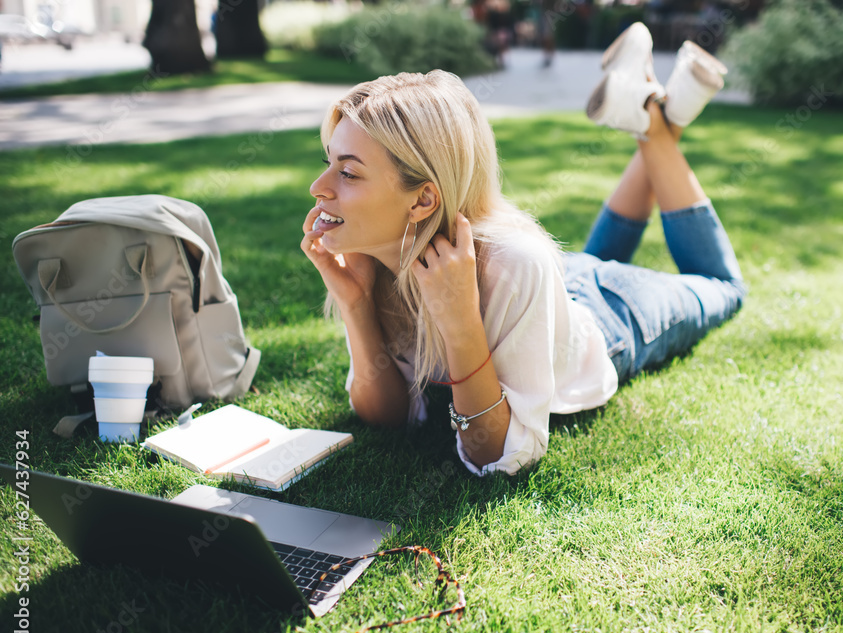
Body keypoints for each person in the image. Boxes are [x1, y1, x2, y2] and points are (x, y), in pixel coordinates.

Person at [300, 23, 744, 476]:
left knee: (725, 288)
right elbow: (386, 418)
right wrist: (355, 304)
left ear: (423, 200)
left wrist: (460, 322)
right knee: (589, 258)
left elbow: (499, 456)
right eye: (328, 163)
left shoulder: (515, 263)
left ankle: (655, 123)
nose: (319, 188)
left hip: (610, 315)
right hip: (551, 289)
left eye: (348, 173)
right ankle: (654, 117)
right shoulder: (373, 256)